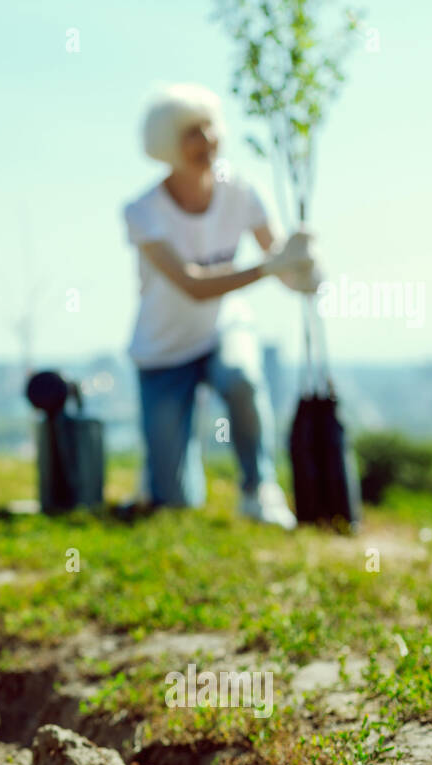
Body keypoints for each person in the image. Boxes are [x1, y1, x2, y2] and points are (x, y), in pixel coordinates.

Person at [123, 83, 317, 529]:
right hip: (162, 349)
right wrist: (272, 267)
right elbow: (193, 285)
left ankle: (258, 489)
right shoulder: (143, 211)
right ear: (166, 144)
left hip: (222, 330)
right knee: (175, 503)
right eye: (190, 132)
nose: (205, 140)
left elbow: (282, 262)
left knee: (242, 379)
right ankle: (162, 471)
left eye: (208, 127)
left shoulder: (242, 191)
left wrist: (305, 272)